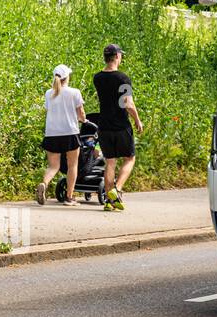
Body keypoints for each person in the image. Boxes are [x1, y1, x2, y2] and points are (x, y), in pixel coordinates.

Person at [93, 43, 143, 212]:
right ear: (116, 57)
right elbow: (128, 103)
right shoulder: (122, 78)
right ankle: (117, 189)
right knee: (130, 158)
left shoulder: (97, 78)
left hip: (104, 126)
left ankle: (109, 201)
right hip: (121, 125)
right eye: (120, 55)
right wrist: (137, 120)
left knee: (110, 162)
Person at [38, 64, 87, 206]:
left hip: (52, 133)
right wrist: (83, 120)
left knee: (53, 166)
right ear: (67, 77)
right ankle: (69, 198)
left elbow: (49, 111)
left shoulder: (48, 93)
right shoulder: (74, 92)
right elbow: (81, 113)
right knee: (72, 165)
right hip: (70, 132)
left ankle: (44, 183)